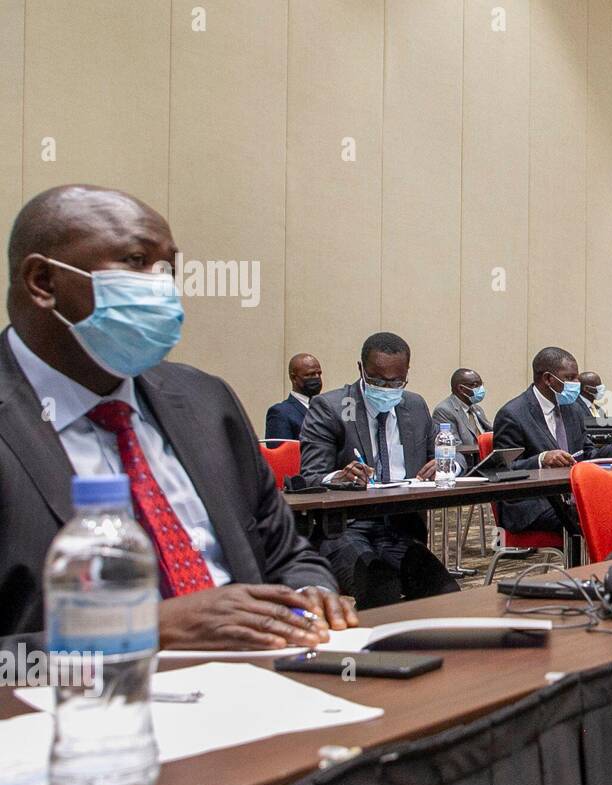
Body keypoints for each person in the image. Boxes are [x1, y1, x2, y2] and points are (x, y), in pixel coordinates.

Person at [0, 184, 356, 652]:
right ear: (43, 282)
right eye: (134, 261)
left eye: (167, 267)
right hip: (78, 708)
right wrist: (144, 629)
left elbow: (287, 553)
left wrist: (313, 594)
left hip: (263, 683)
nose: (160, 284)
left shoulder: (208, 402)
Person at [299, 332, 461, 608]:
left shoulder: (415, 405)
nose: (387, 388)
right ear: (361, 370)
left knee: (444, 591)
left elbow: (453, 456)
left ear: (407, 373)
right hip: (346, 529)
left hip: (399, 527)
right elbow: (310, 476)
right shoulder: (331, 407)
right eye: (377, 380)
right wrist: (339, 477)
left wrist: (446, 466)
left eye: (396, 381)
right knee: (379, 588)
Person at [493, 347, 612, 536]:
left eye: (577, 378)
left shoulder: (573, 409)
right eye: (570, 378)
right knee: (593, 517)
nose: (576, 384)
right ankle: (595, 564)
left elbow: (587, 455)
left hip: (572, 495)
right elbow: (501, 471)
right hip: (532, 504)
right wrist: (541, 459)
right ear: (548, 379)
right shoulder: (513, 414)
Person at [264, 352, 322, 440]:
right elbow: (281, 451)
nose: (317, 378)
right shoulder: (280, 413)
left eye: (319, 373)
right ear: (294, 378)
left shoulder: (325, 408)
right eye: (310, 374)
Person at [431, 367, 492, 449]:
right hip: (468, 459)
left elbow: (489, 433)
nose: (481, 389)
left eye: (481, 385)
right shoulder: (444, 411)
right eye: (475, 385)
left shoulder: (477, 409)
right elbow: (454, 446)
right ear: (461, 389)